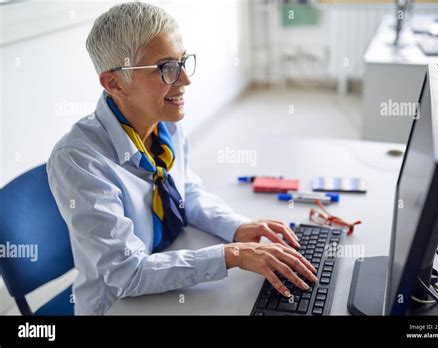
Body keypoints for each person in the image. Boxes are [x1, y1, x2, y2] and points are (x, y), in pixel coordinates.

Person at [47, 2, 317, 315]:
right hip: (119, 305)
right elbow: (128, 274)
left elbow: (186, 193)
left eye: (182, 61)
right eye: (165, 68)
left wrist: (237, 228)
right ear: (114, 83)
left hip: (172, 266)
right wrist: (233, 255)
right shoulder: (80, 160)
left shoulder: (165, 123)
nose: (185, 80)